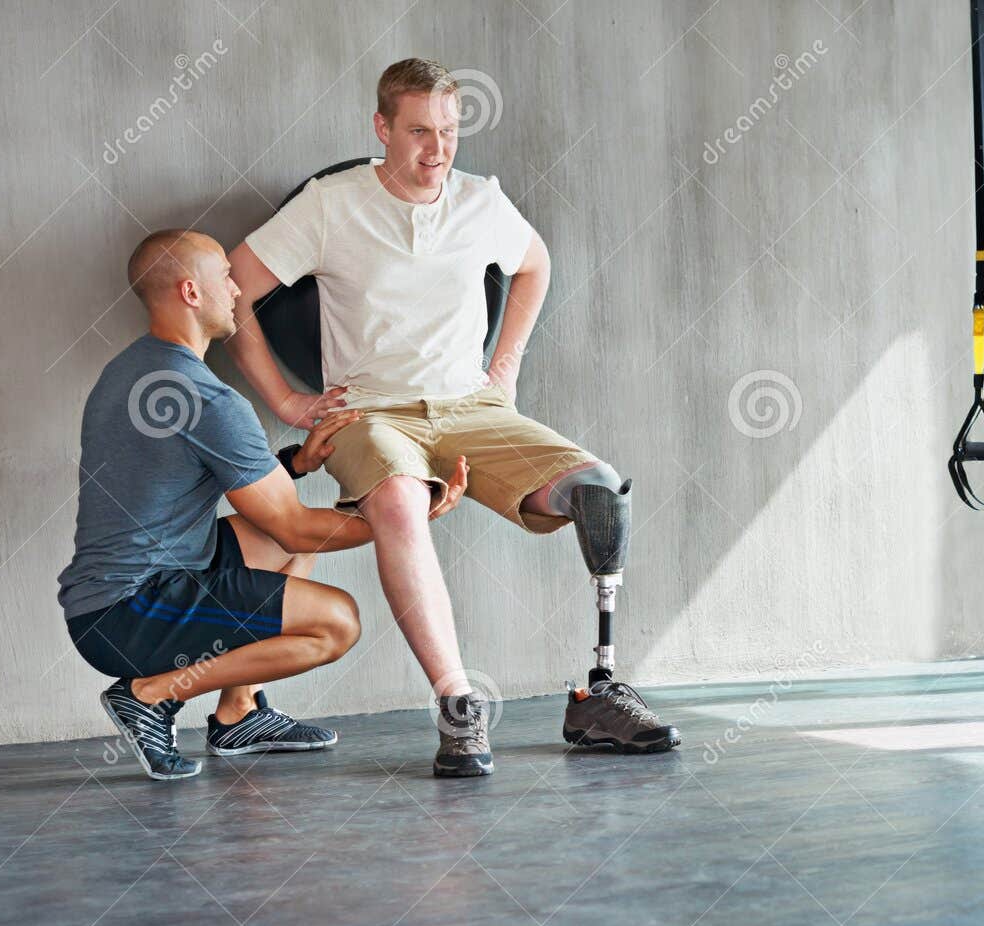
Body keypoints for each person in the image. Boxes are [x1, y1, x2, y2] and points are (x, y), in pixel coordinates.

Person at [225, 58, 680, 778]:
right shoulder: (328, 204)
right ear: (381, 128)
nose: (436, 150)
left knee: (600, 489)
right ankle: (459, 703)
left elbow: (535, 264)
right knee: (400, 506)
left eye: (448, 131)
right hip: (371, 414)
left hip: (470, 407)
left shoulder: (481, 201)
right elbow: (231, 289)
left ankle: (600, 691)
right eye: (416, 132)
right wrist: (286, 401)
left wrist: (506, 370)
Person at [57, 228, 467, 779]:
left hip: (108, 601)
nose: (236, 289)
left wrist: (294, 464)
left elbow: (191, 477)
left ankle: (239, 713)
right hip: (129, 611)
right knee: (335, 624)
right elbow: (298, 528)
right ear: (190, 293)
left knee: (276, 534)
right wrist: (405, 516)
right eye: (224, 275)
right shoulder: (208, 397)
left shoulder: (133, 371)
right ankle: (149, 695)